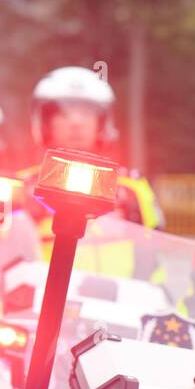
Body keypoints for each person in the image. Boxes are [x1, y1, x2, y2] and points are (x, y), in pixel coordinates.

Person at [19, 66, 164, 258]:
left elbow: (154, 255)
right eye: (64, 114)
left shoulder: (132, 189)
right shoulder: (21, 188)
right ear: (45, 123)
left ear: (103, 122)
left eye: (87, 113)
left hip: (120, 289)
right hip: (42, 289)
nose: (76, 123)